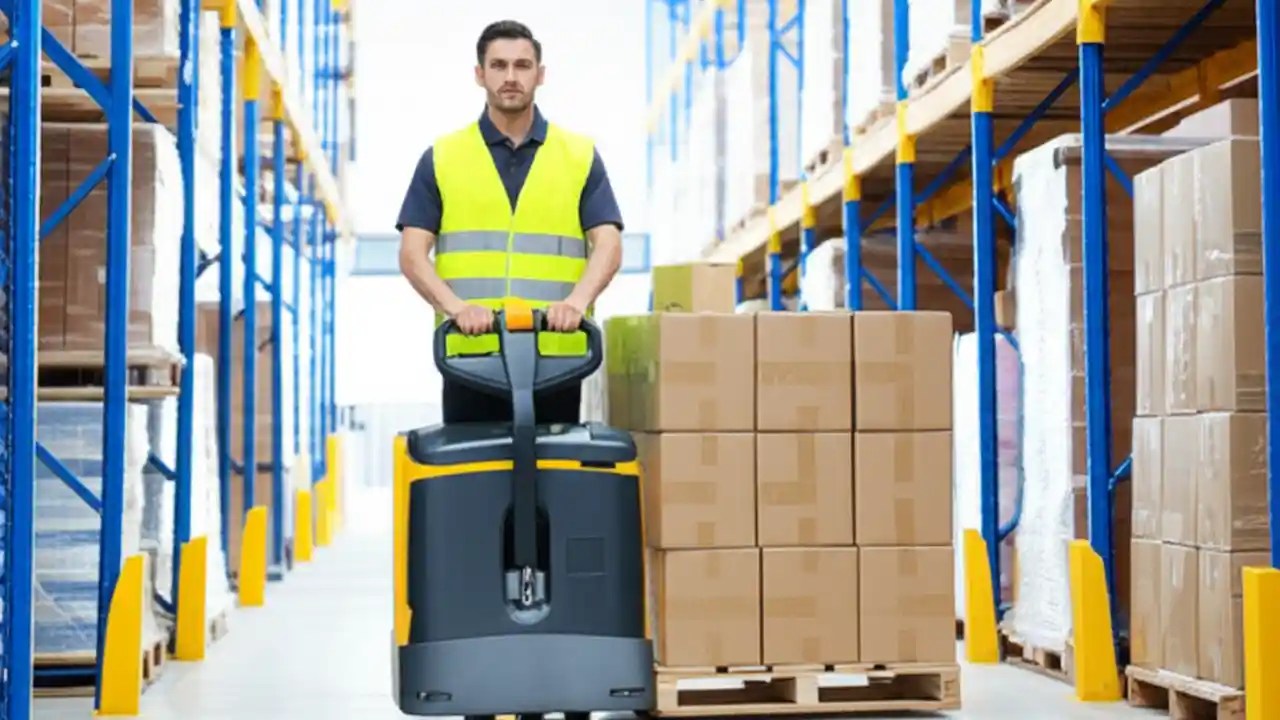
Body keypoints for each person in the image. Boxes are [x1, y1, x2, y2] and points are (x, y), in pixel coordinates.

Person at [397, 19, 624, 427]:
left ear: (540, 74)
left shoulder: (579, 155)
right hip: (471, 354)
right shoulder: (443, 157)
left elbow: (608, 243)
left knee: (556, 479)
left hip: (556, 354)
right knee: (473, 478)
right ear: (480, 74)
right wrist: (456, 309)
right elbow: (413, 254)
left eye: (522, 66)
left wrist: (576, 303)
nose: (511, 77)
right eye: (499, 66)